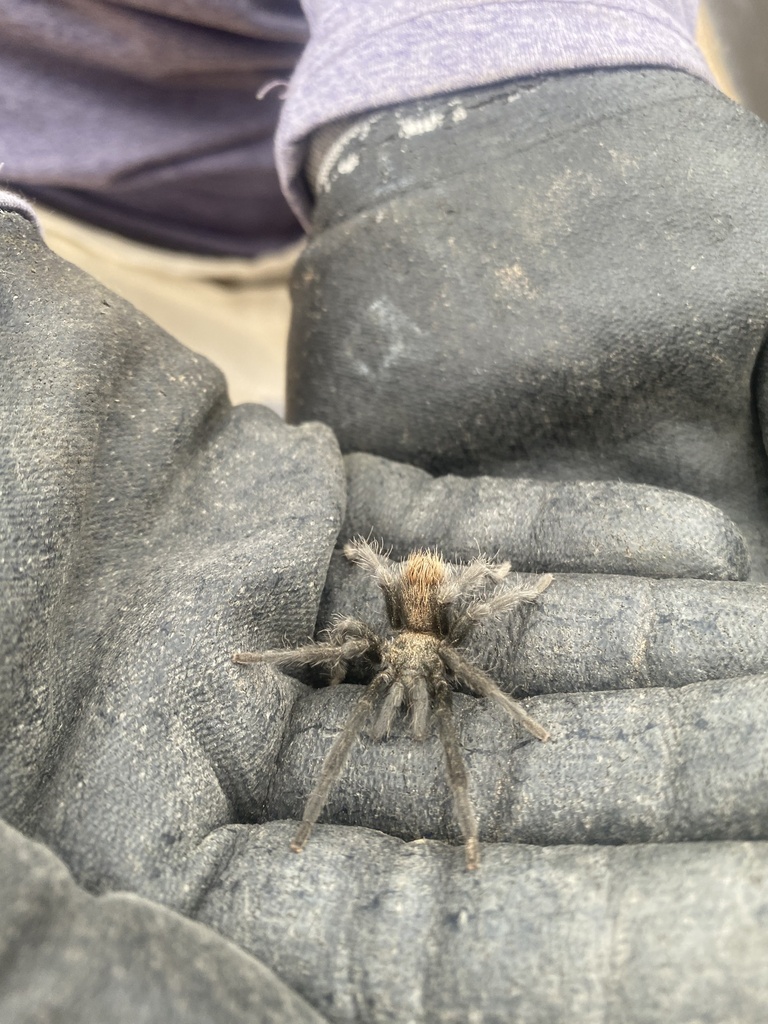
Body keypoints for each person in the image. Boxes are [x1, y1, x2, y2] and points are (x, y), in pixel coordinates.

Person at [2, 2, 768, 1021]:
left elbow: (458, 613)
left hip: (355, 130)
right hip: (69, 237)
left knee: (442, 673)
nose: (409, 675)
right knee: (361, 672)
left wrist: (472, 40)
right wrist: (262, 660)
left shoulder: (437, 635)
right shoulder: (383, 644)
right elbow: (353, 640)